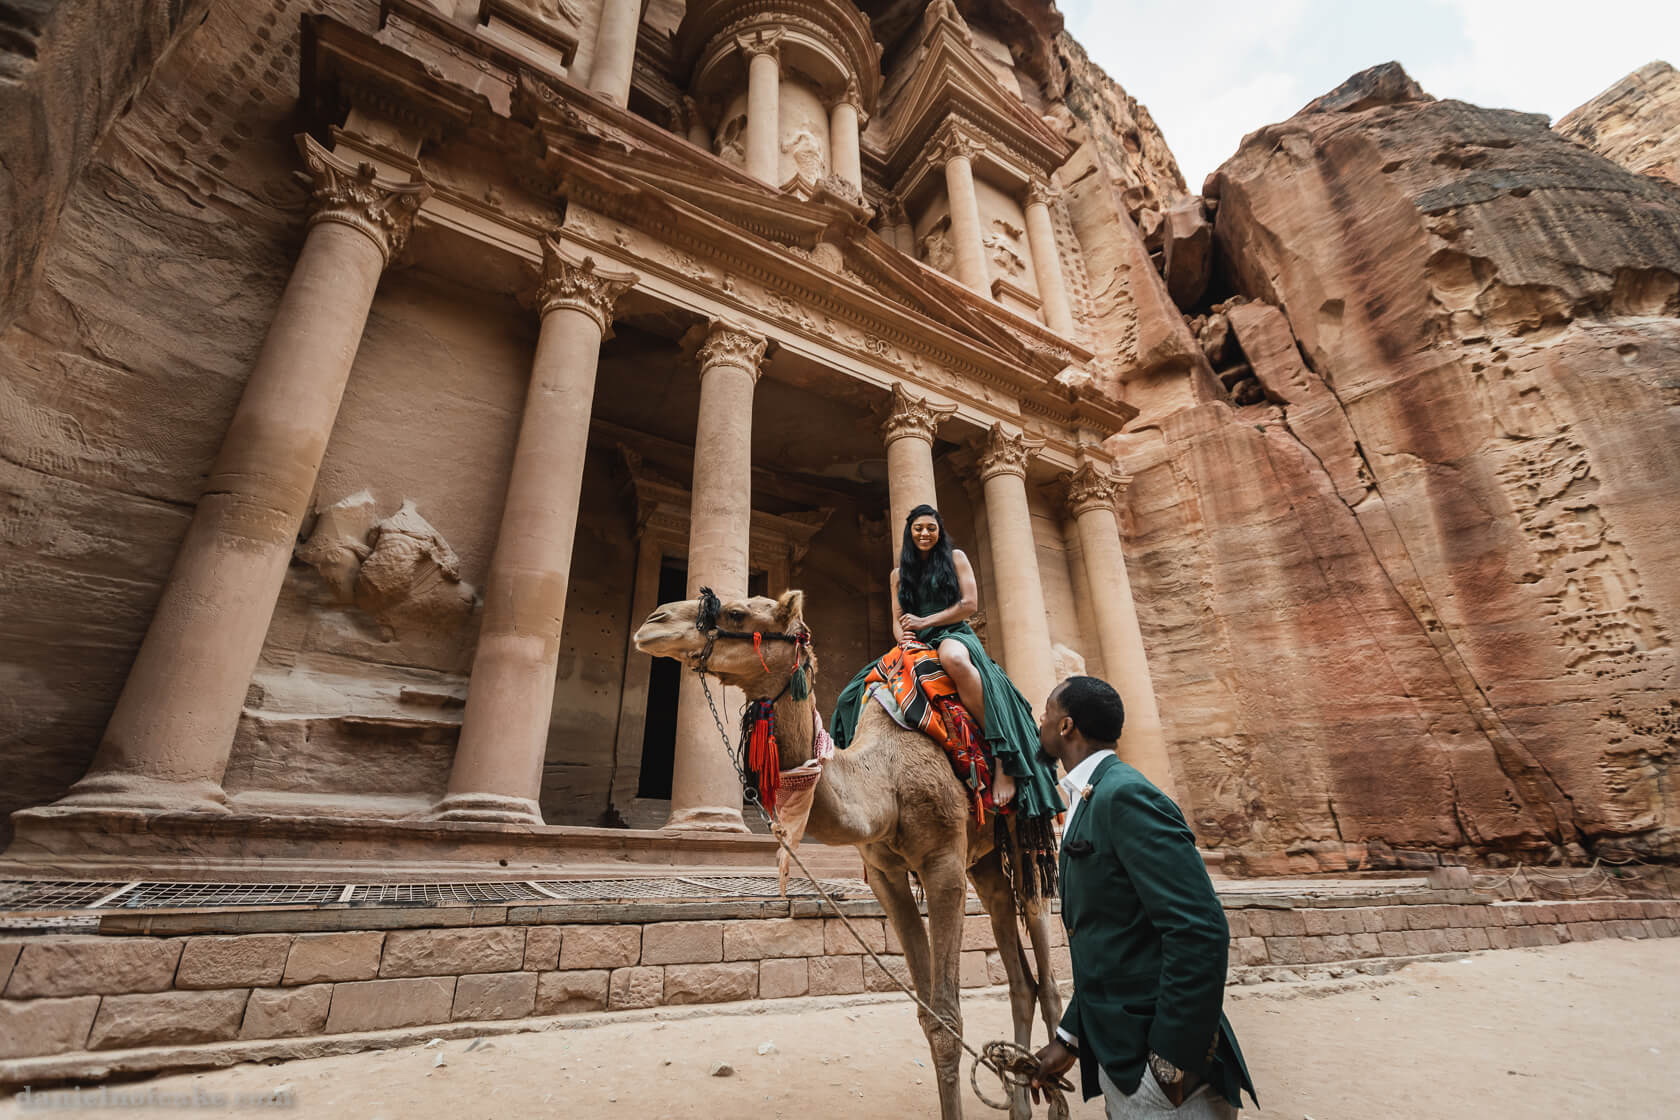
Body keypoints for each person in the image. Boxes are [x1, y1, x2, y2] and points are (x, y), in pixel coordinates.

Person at [1030, 676, 1256, 1118]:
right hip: (1124, 1056)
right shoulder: (1091, 796)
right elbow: (1112, 941)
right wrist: (1069, 1039)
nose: (1041, 721)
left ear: (1066, 727)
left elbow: (1200, 929)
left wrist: (1171, 1062)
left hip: (1162, 1077)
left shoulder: (1125, 794)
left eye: (1047, 713)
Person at [830, 504, 1060, 824]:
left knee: (954, 659)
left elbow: (969, 605)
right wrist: (905, 639)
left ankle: (1001, 754)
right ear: (909, 533)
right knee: (853, 694)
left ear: (939, 531)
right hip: (917, 641)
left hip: (952, 632)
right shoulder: (899, 574)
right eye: (918, 528)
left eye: (931, 528)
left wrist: (926, 620)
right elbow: (899, 620)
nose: (925, 533)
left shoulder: (956, 559)